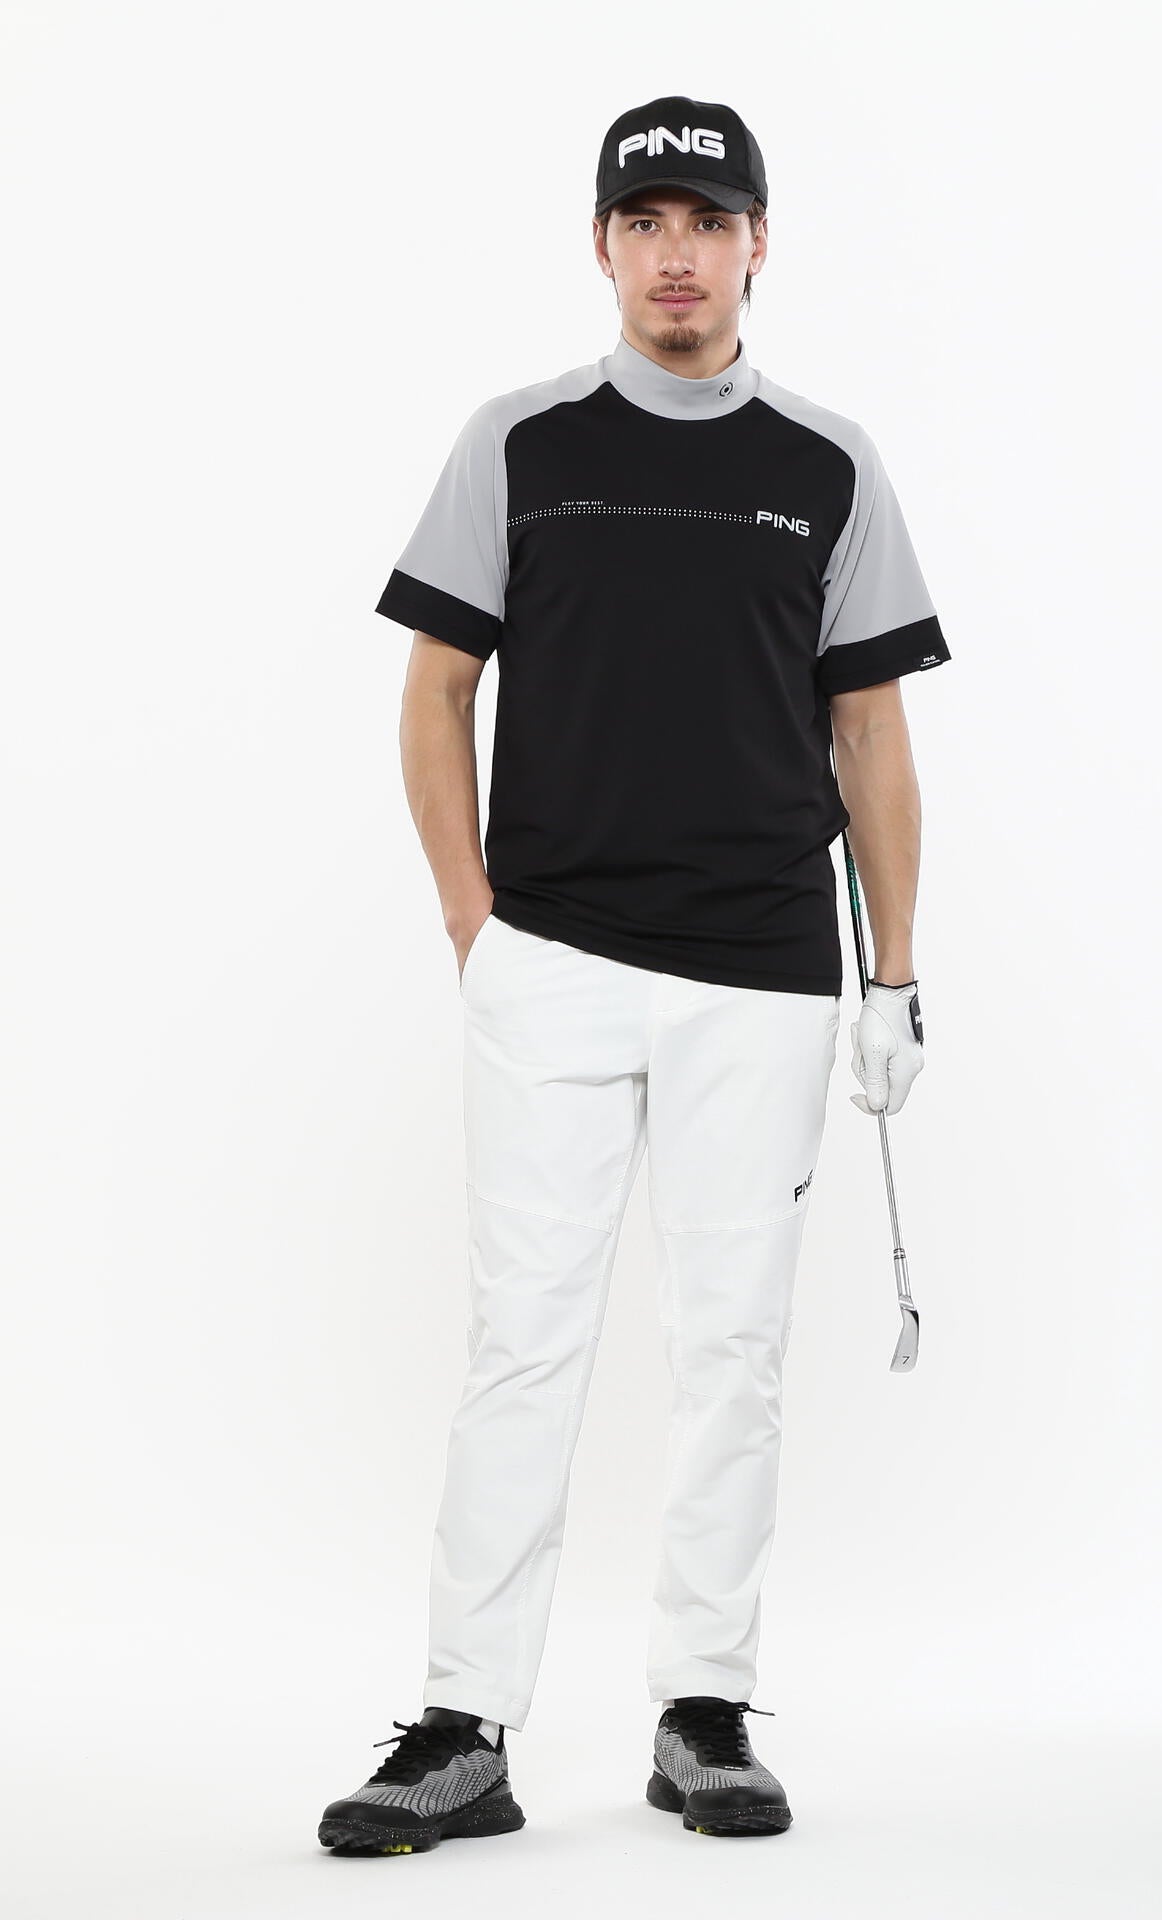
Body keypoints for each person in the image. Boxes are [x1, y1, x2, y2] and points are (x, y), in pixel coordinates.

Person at [318, 92, 951, 1856]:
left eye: (710, 222)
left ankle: (703, 1712)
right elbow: (436, 691)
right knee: (523, 1339)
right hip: (554, 961)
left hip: (763, 972)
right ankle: (464, 1724)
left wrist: (895, 978)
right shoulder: (518, 442)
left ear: (759, 244)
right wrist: (475, 925)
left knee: (733, 1347)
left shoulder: (827, 466)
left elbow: (871, 730)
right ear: (601, 245)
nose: (679, 254)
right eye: (647, 221)